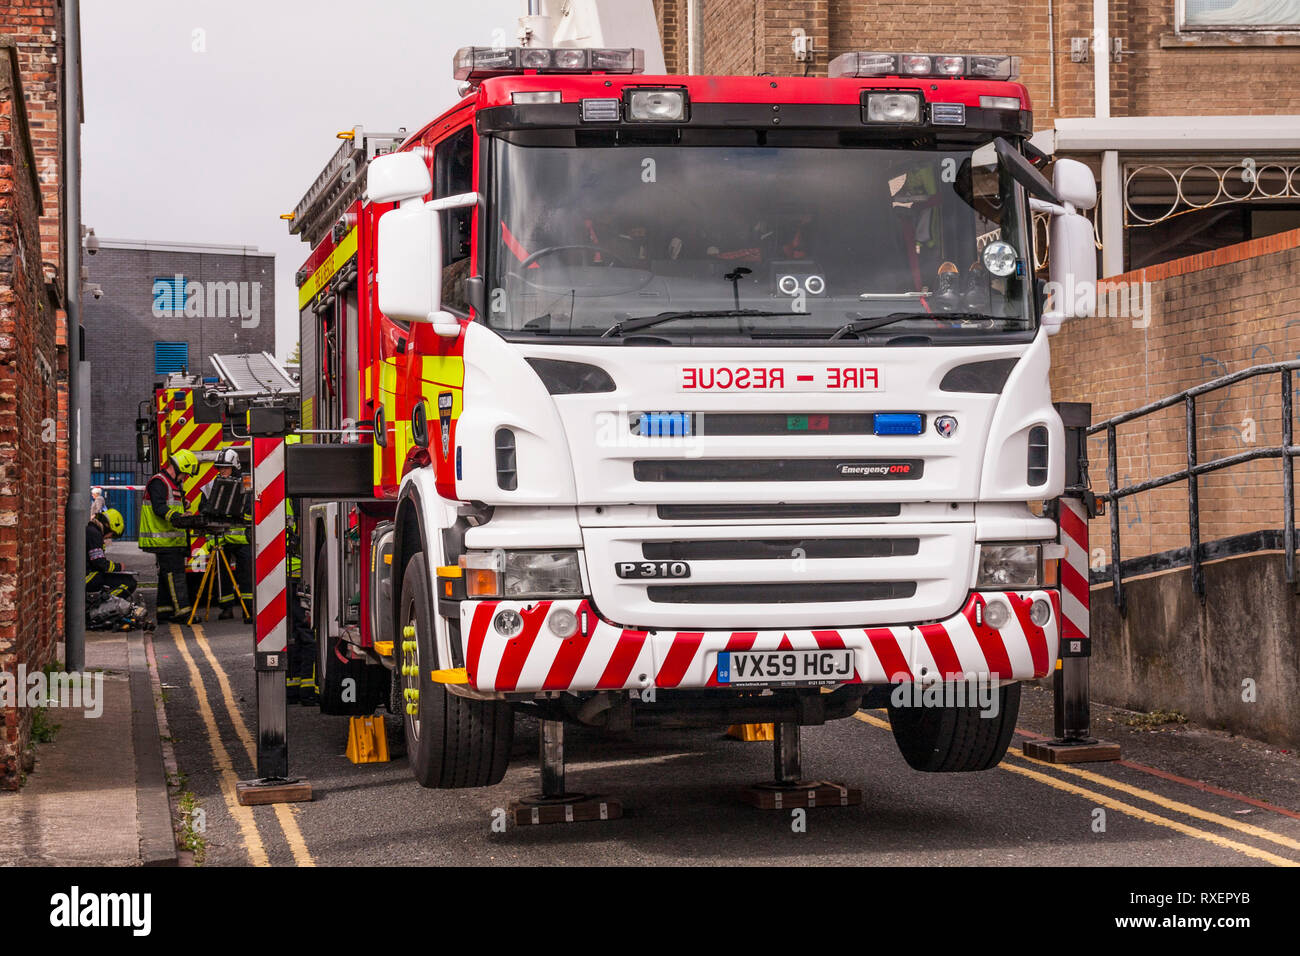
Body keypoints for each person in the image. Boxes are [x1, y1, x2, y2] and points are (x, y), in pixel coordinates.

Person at [139, 449, 198, 624]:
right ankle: (183, 613)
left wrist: (183, 506)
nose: (185, 478)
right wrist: (179, 517)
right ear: (180, 468)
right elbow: (159, 508)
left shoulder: (172, 483)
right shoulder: (159, 482)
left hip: (171, 540)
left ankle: (164, 612)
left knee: (166, 576)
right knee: (175, 575)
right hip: (163, 540)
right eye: (185, 474)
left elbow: (170, 504)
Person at [206, 447, 253, 623]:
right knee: (222, 576)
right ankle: (226, 608)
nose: (222, 471)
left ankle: (249, 609)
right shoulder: (212, 485)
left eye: (225, 467)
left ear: (234, 467)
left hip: (242, 538)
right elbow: (204, 508)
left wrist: (238, 515)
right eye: (220, 468)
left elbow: (251, 508)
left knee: (246, 575)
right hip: (221, 538)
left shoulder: (246, 483)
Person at [86, 507, 137, 599]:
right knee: (129, 583)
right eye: (112, 534)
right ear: (107, 525)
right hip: (87, 577)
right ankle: (102, 602)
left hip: (87, 575)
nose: (108, 537)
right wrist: (119, 567)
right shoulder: (94, 534)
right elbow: (100, 563)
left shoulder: (91, 530)